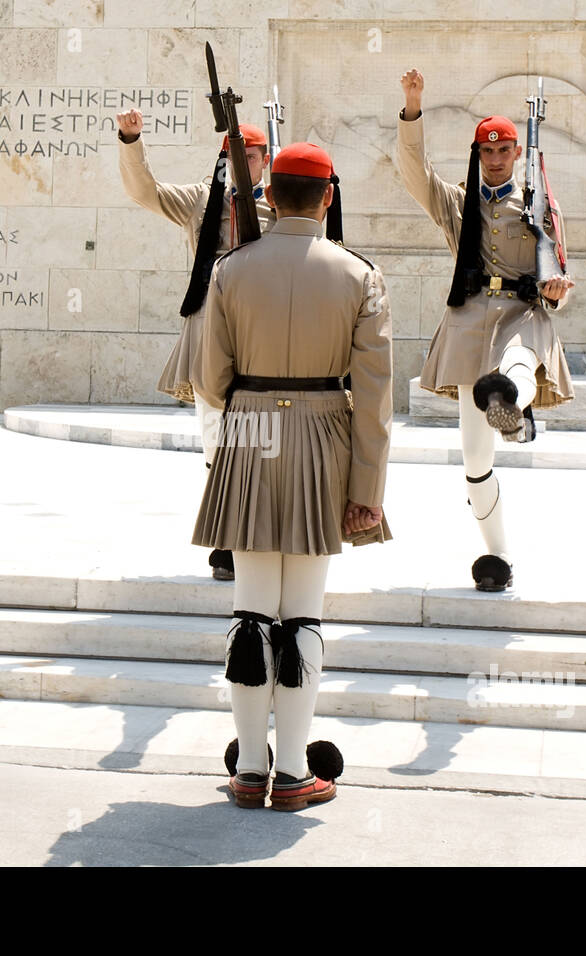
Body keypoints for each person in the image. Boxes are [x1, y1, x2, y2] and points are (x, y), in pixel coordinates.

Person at [193, 142, 393, 810]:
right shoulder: (360, 275)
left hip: (250, 433)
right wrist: (367, 490)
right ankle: (298, 770)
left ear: (269, 196)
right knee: (301, 615)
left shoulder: (231, 269)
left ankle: (250, 769)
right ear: (328, 197)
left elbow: (209, 378)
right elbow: (375, 396)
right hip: (320, 437)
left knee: (251, 613)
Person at [395, 68, 574, 592]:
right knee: (475, 461)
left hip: (523, 316)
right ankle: (497, 555)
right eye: (486, 152)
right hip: (470, 319)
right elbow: (413, 174)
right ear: (478, 155)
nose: (495, 160)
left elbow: (558, 269)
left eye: (503, 152)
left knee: (515, 362)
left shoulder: (541, 205)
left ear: (516, 154)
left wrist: (557, 290)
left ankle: (511, 402)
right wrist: (412, 108)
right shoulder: (458, 203)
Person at [117, 109, 277, 581]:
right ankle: (227, 533)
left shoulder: (280, 205)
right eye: (235, 157)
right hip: (209, 327)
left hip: (262, 331)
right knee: (213, 435)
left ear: (265, 161)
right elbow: (144, 191)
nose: (244, 165)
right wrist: (131, 141)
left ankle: (260, 527)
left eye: (252, 157)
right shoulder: (199, 202)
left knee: (260, 435)